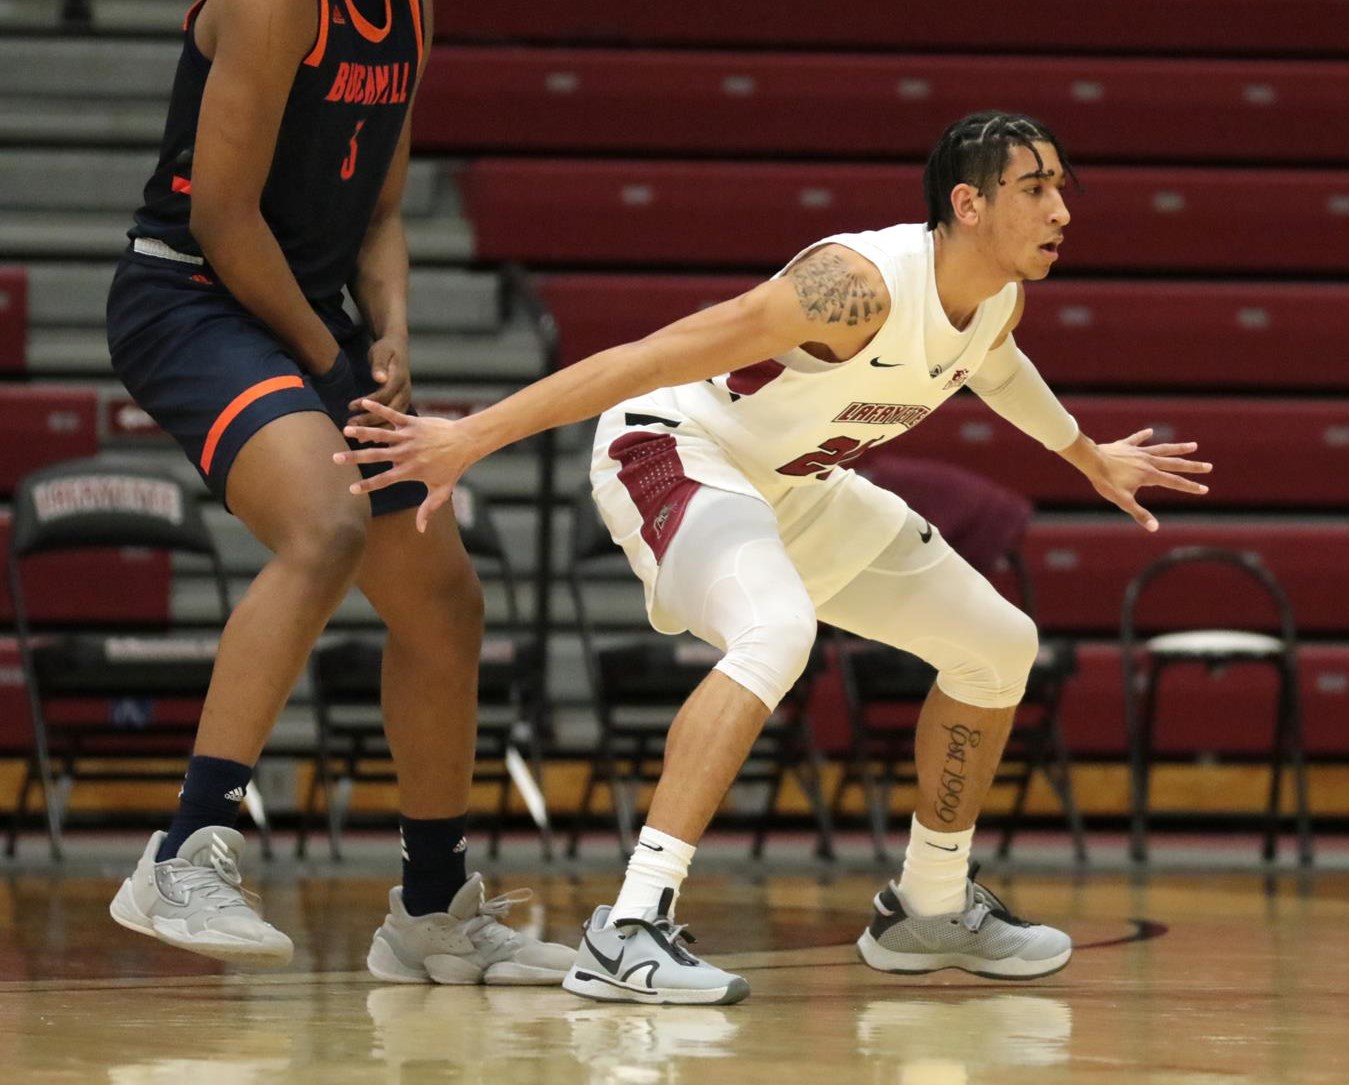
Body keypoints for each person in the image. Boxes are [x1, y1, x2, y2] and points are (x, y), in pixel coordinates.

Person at [334, 110, 1212, 1005]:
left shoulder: (997, 298)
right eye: (1036, 188)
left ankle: (929, 906)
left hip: (798, 489)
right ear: (969, 204)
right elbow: (653, 355)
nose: (1062, 208)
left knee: (999, 644)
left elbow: (996, 362)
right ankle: (630, 926)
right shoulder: (853, 286)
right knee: (777, 631)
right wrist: (471, 436)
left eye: (1062, 186)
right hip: (674, 449)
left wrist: (1087, 454)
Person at [102, 0, 571, 983]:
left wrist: (391, 330)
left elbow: (383, 209)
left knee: (444, 601)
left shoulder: (410, 14)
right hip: (189, 299)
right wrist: (333, 356)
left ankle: (432, 909)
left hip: (309, 317)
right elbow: (219, 216)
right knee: (327, 525)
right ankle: (185, 849)